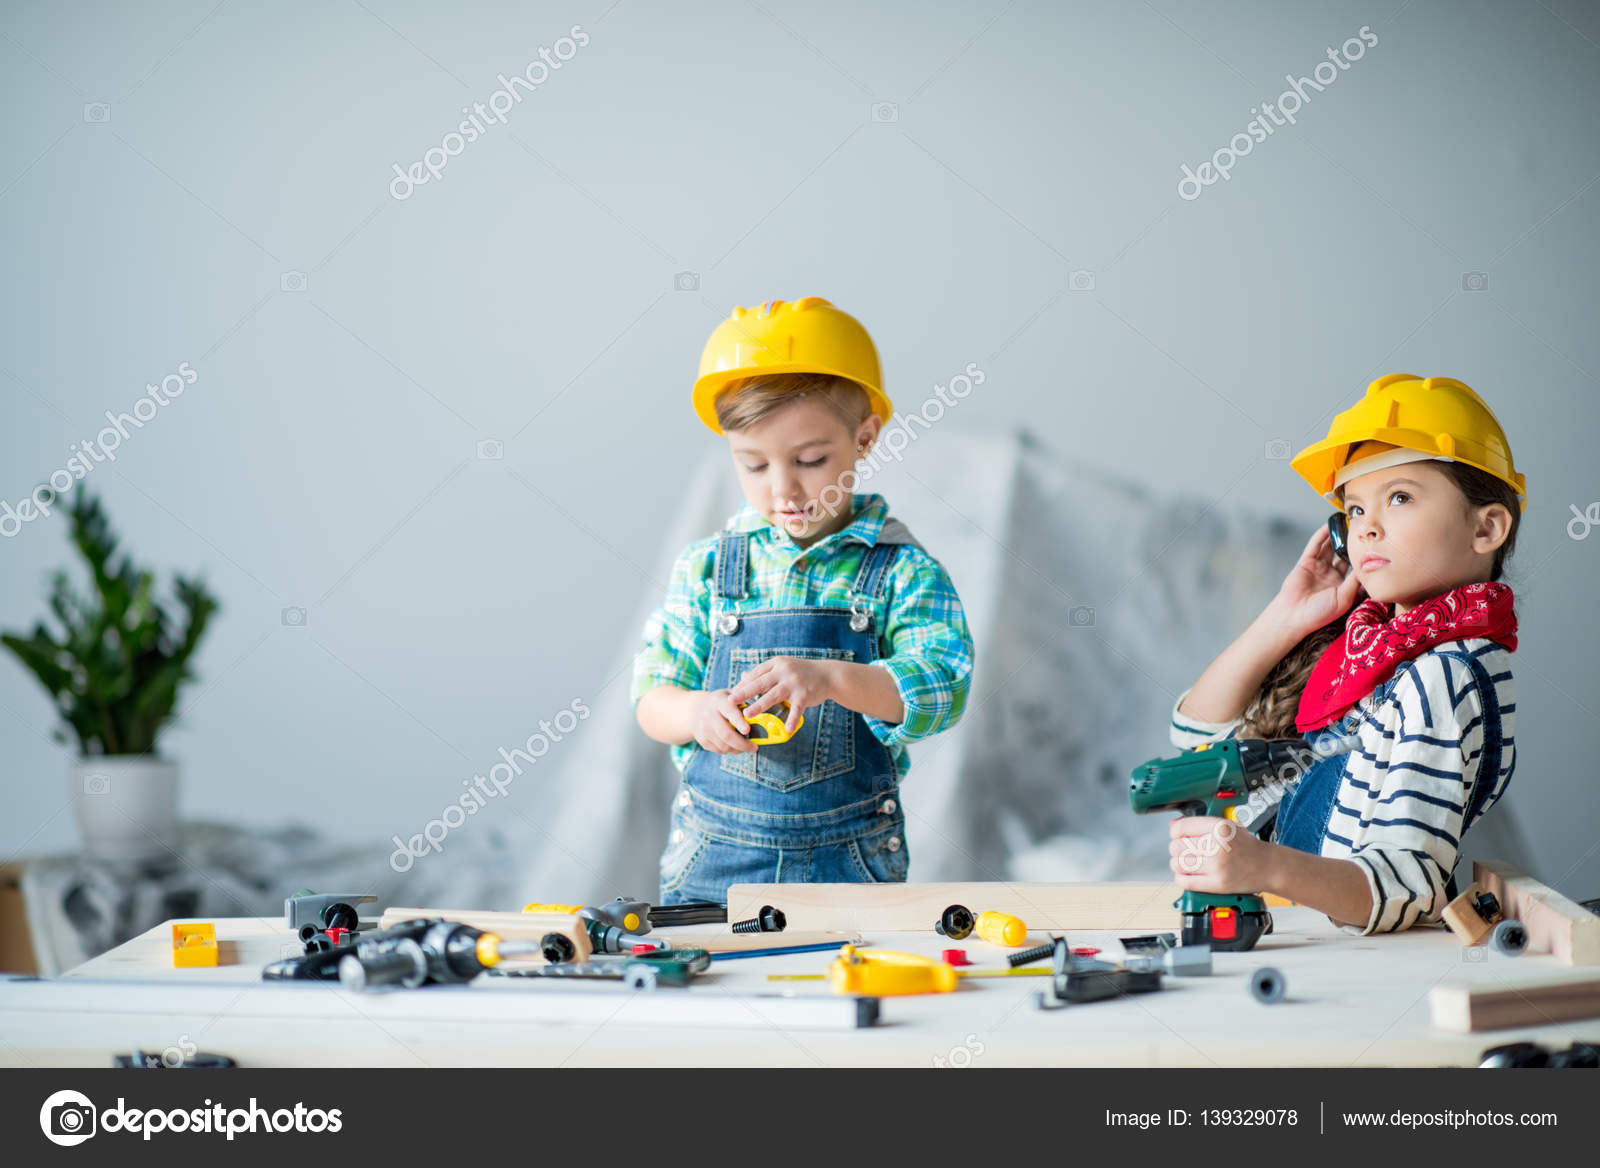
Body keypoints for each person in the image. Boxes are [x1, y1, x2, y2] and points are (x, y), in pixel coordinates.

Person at [632, 298, 975, 903]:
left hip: (850, 862)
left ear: (864, 438)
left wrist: (833, 678)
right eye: (753, 465)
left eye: (811, 460)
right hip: (715, 861)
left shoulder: (903, 571)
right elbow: (653, 696)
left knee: (845, 966)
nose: (784, 489)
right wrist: (695, 713)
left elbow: (943, 690)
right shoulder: (707, 568)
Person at [1168, 374, 1524, 934]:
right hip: (1309, 937)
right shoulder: (1365, 651)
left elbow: (1407, 886)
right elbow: (1196, 741)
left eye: (1400, 497)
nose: (1367, 528)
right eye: (1354, 510)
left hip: (1359, 953)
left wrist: (1263, 866)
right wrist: (1286, 615)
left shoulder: (1446, 675)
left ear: (1486, 528)